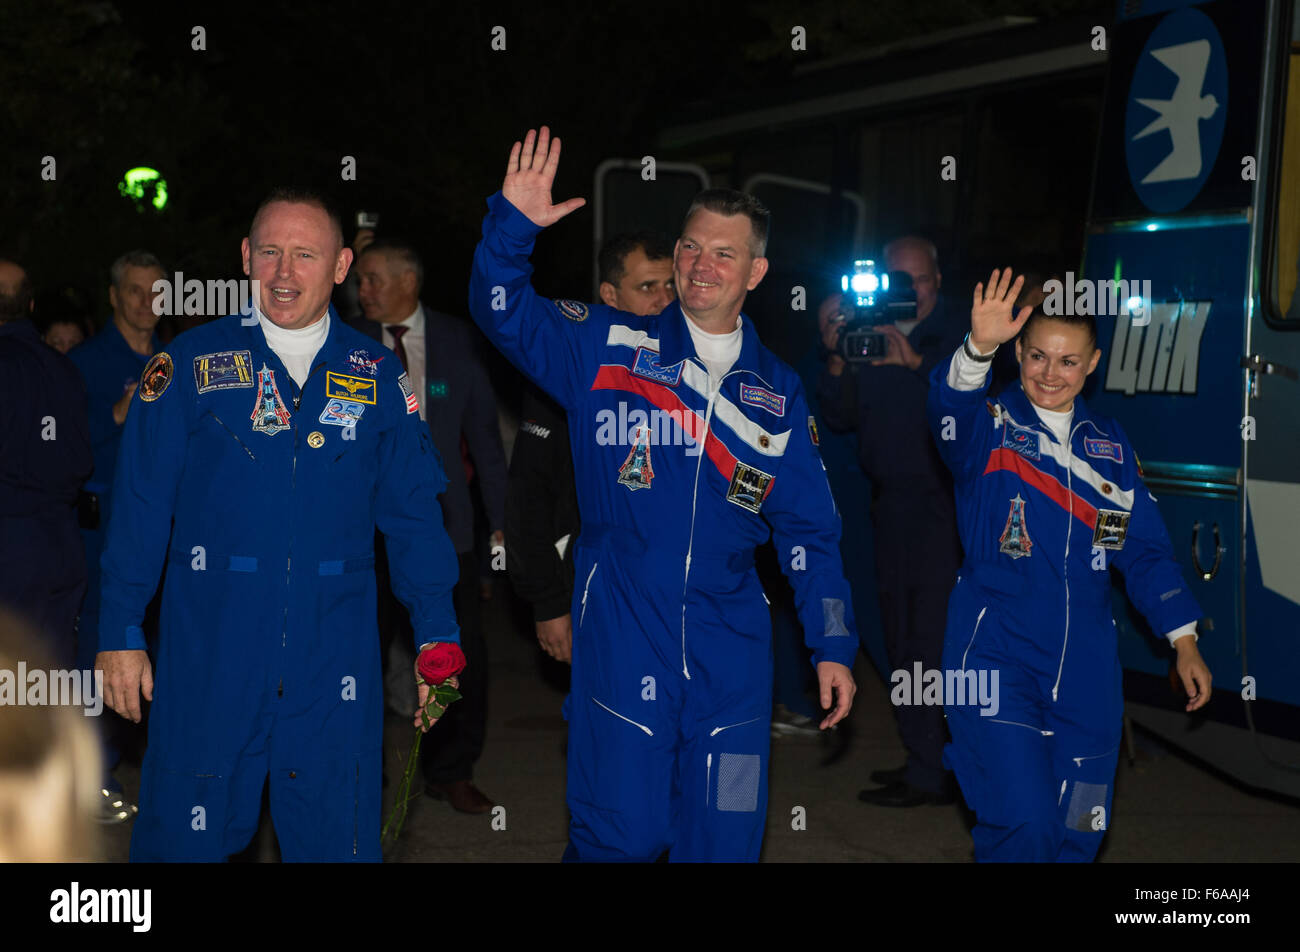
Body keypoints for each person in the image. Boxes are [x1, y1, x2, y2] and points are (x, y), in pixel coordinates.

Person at [469, 127, 858, 861]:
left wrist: (832, 642)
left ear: (756, 271)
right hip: (623, 630)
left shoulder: (777, 392)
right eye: (689, 246)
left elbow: (810, 533)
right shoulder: (606, 346)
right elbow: (500, 311)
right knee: (621, 836)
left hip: (734, 654)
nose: (699, 265)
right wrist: (511, 230)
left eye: (723, 253)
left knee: (726, 838)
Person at [95, 188, 461, 862]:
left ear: (342, 265)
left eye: (305, 254)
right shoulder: (187, 367)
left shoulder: (377, 374)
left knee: (336, 838)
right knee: (185, 839)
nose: (284, 273)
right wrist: (120, 629)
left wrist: (437, 630)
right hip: (211, 654)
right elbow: (140, 508)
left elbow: (412, 516)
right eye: (269, 252)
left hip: (335, 662)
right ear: (244, 258)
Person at [928, 268, 1213, 862]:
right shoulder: (991, 428)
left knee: (1081, 829)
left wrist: (1183, 641)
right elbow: (948, 416)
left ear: (1093, 363)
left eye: (1067, 361)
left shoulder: (1109, 446)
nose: (1049, 374)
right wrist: (976, 349)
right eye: (1036, 356)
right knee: (1024, 824)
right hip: (994, 656)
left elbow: (1145, 552)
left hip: (1087, 672)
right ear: (1018, 352)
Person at [352, 237, 508, 815]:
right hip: (360, 532)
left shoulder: (457, 339)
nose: (360, 290)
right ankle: (362, 772)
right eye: (359, 280)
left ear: (408, 282)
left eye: (371, 278)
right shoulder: (345, 341)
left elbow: (485, 442)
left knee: (455, 651)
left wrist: (501, 524)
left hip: (445, 527)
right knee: (357, 653)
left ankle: (452, 769)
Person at [816, 236, 966, 807]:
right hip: (891, 509)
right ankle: (923, 760)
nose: (907, 292)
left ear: (937, 282)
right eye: (895, 280)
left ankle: (943, 769)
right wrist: (836, 353)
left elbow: (988, 411)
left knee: (934, 642)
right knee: (901, 640)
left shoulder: (959, 339)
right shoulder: (867, 329)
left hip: (944, 510)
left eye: (917, 280)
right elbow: (839, 414)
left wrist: (916, 362)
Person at [506, 231, 675, 666]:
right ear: (610, 295)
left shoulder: (698, 366)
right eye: (647, 287)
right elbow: (529, 493)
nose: (665, 299)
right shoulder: (571, 367)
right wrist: (548, 603)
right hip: (596, 589)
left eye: (671, 285)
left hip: (680, 592)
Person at [68, 251, 167, 822]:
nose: (146, 303)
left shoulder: (179, 359)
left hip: (173, 535)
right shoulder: (82, 363)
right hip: (102, 531)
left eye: (157, 291)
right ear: (113, 296)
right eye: (134, 291)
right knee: (101, 651)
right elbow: (58, 448)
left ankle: (164, 773)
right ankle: (93, 779)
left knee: (164, 649)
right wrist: (115, 414)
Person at [0, 259, 93, 670]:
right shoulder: (65, 368)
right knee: (49, 688)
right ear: (31, 305)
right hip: (61, 546)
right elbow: (79, 459)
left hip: (10, 547)